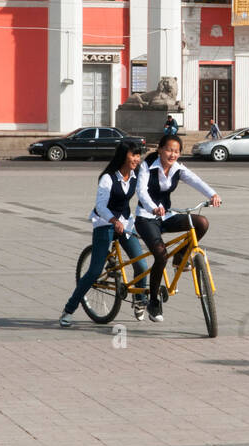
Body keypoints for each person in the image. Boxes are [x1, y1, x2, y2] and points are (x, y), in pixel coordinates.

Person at [59, 139, 154, 327]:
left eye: (138, 155)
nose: (136, 158)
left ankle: (140, 300)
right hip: (105, 222)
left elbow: (143, 195)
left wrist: (154, 209)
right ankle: (69, 309)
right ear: (122, 156)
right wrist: (113, 221)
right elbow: (101, 206)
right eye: (133, 155)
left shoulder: (136, 175)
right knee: (94, 271)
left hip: (126, 222)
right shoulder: (108, 178)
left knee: (142, 265)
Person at [134, 134, 221, 323]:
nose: (172, 154)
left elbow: (196, 180)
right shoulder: (147, 166)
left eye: (176, 151)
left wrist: (213, 194)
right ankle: (154, 300)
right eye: (168, 150)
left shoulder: (177, 169)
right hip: (146, 217)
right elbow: (141, 191)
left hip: (167, 215)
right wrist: (153, 207)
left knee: (201, 223)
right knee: (160, 255)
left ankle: (180, 256)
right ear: (160, 150)